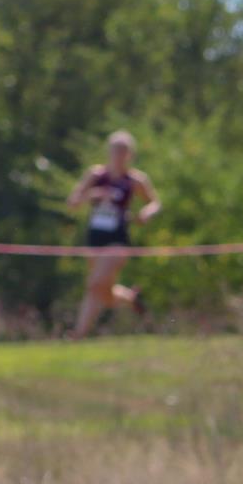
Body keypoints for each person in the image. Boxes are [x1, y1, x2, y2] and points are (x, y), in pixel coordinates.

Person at [64, 131, 159, 337]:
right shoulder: (96, 175)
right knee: (102, 291)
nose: (119, 155)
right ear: (109, 152)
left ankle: (78, 334)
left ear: (130, 155)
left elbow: (154, 202)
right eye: (115, 150)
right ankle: (129, 298)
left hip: (118, 239)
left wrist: (145, 213)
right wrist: (92, 194)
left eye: (123, 151)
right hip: (95, 238)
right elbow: (73, 202)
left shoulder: (135, 180)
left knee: (94, 284)